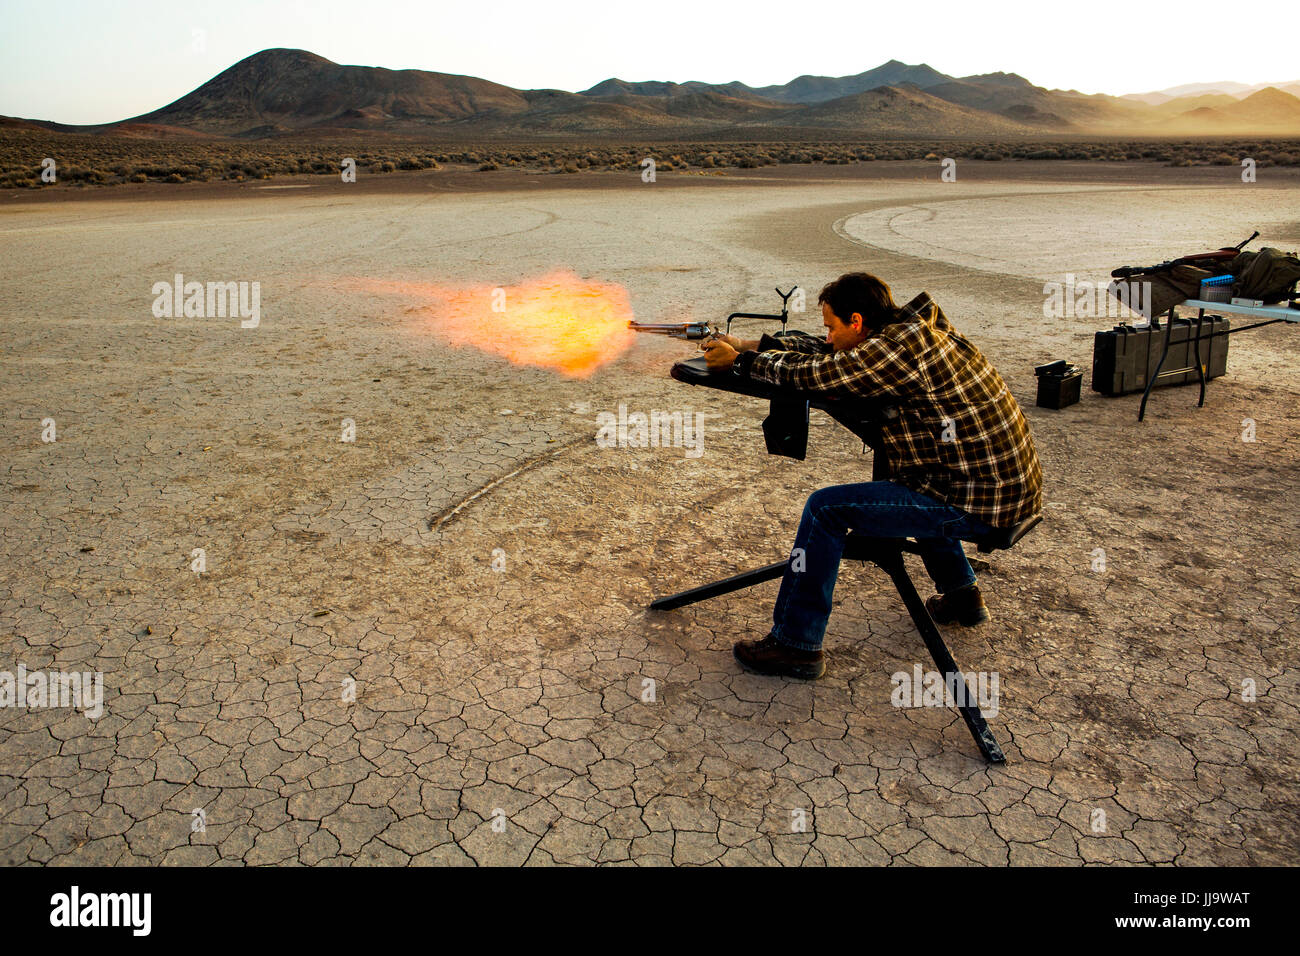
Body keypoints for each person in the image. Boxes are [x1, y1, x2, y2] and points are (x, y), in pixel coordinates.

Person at [701, 273, 1042, 680]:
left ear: (858, 322)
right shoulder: (913, 331)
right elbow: (827, 351)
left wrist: (741, 362)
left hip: (977, 505)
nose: (826, 335)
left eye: (832, 325)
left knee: (825, 509)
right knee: (916, 480)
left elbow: (816, 373)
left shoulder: (897, 351)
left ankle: (796, 646)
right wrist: (747, 344)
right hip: (996, 489)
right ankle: (961, 596)